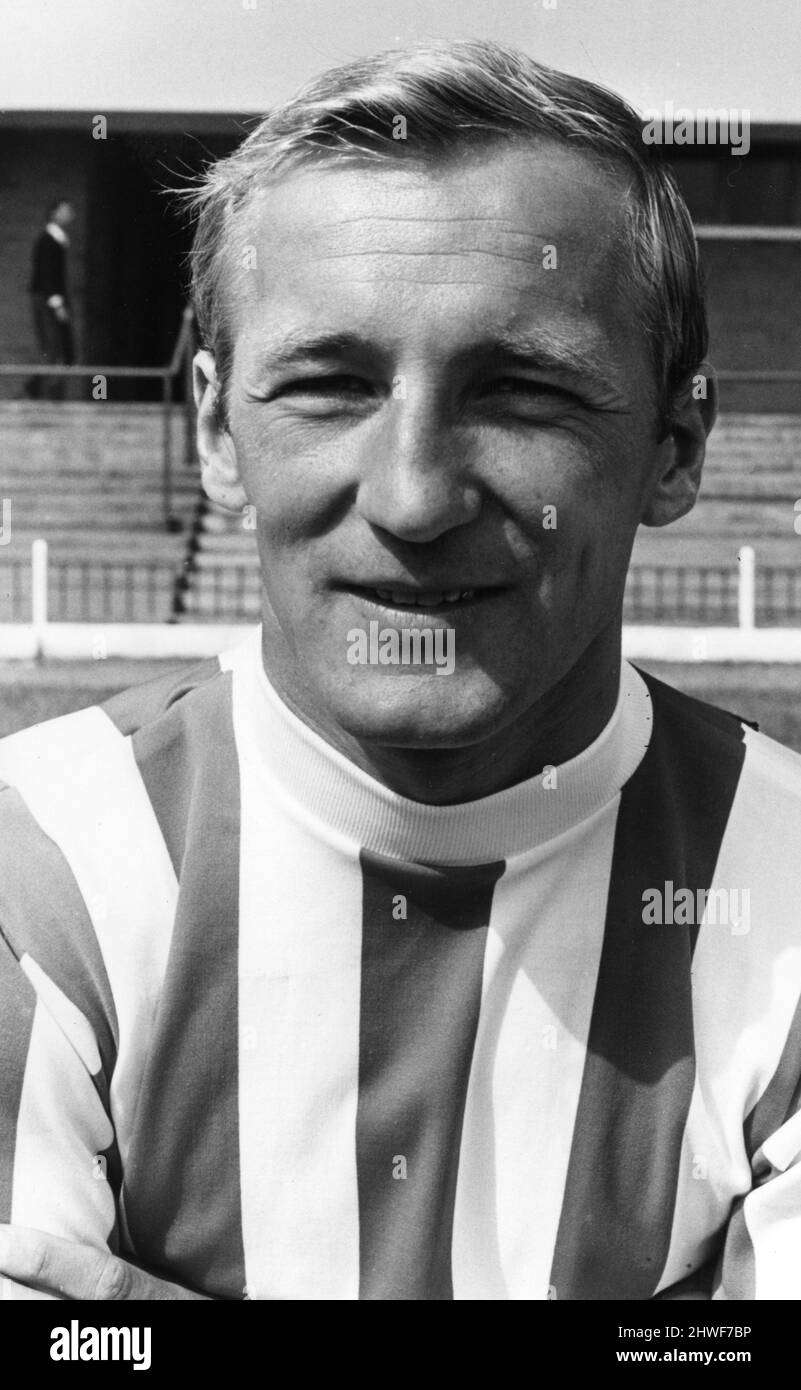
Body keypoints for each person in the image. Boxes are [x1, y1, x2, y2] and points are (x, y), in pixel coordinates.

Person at [0, 39, 799, 1302]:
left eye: (525, 393)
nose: (416, 495)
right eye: (328, 385)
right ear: (217, 425)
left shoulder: (789, 889)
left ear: (677, 444)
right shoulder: (36, 871)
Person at [25, 198, 75, 401]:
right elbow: (46, 273)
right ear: (54, 213)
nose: (70, 214)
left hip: (51, 299)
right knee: (52, 348)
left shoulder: (59, 239)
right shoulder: (47, 240)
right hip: (47, 300)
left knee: (60, 349)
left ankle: (45, 392)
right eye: (65, 210)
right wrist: (57, 303)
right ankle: (41, 392)